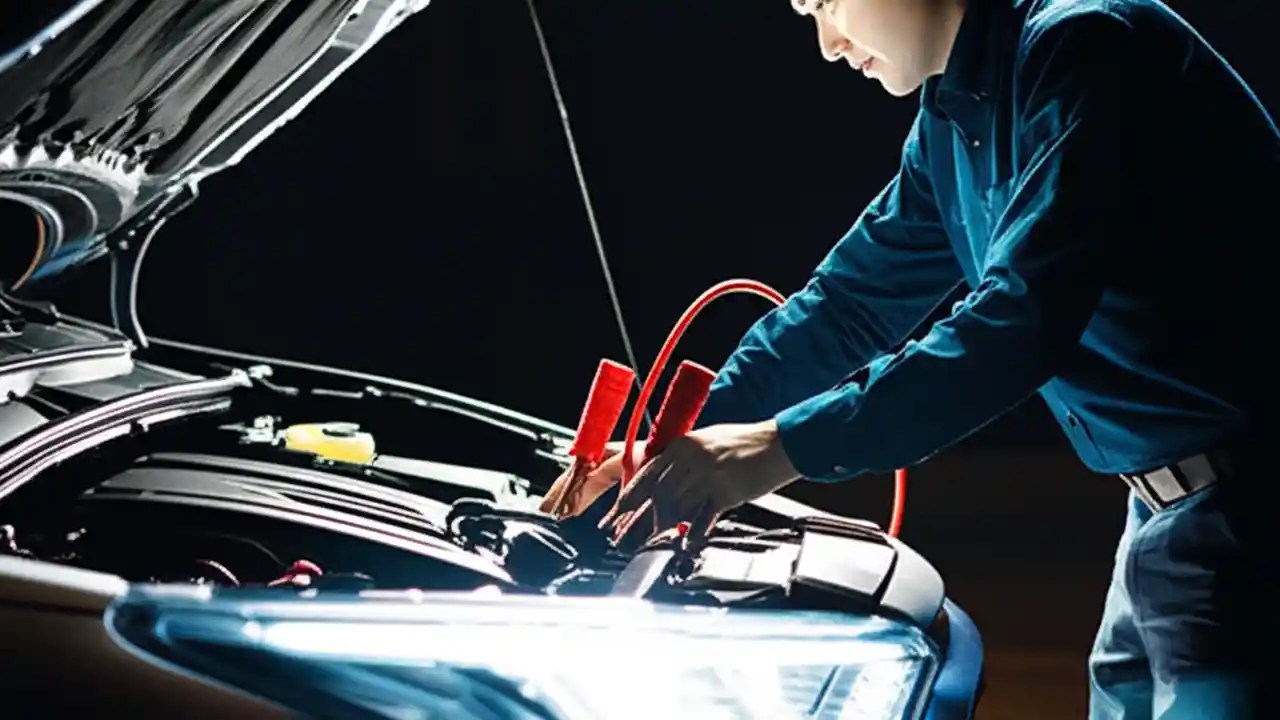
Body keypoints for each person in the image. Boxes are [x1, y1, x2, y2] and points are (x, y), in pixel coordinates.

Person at [542, 0, 1277, 716]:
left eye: (827, 4)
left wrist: (780, 446)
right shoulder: (954, 118)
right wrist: (669, 452)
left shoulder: (1085, 48)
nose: (828, 44)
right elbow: (847, 307)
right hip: (1164, 513)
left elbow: (1017, 323)